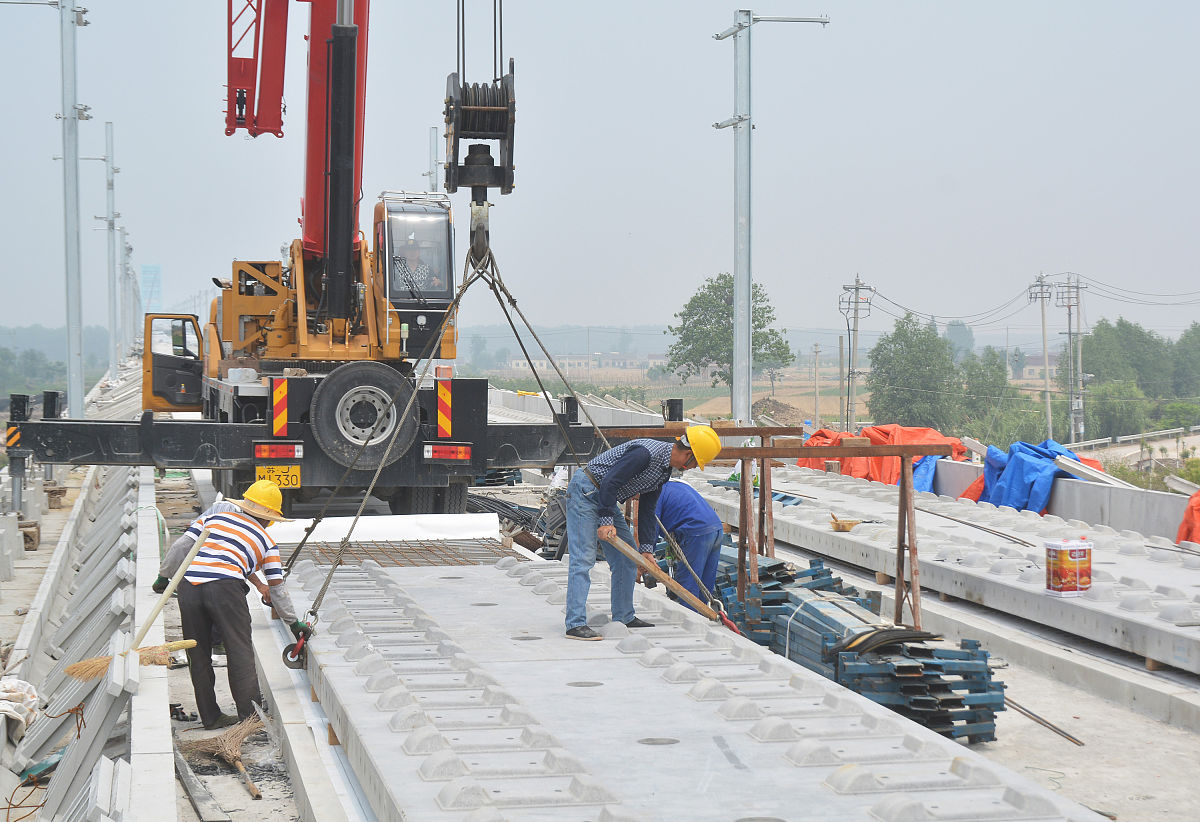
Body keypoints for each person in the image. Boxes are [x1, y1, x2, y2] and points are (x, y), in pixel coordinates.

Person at [153, 480, 311, 729]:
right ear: (270, 519)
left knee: (198, 653)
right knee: (239, 651)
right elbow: (277, 589)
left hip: (189, 586)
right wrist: (294, 624)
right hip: (225, 591)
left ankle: (211, 717)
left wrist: (163, 577)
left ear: (244, 506)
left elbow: (182, 546)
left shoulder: (216, 520)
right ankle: (250, 718)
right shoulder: (267, 543)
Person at [563, 425, 722, 640]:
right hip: (587, 492)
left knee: (628, 557)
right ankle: (575, 624)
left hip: (604, 497)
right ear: (688, 455)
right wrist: (606, 521)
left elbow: (648, 508)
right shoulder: (645, 454)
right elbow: (611, 481)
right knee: (583, 559)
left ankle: (624, 615)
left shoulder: (664, 471)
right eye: (695, 464)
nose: (692, 468)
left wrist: (647, 549)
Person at [654, 480, 724, 609]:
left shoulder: (654, 493)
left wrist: (647, 552)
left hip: (695, 532)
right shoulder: (678, 486)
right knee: (705, 583)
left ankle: (691, 620)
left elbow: (652, 524)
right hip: (716, 529)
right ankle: (705, 615)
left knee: (689, 584)